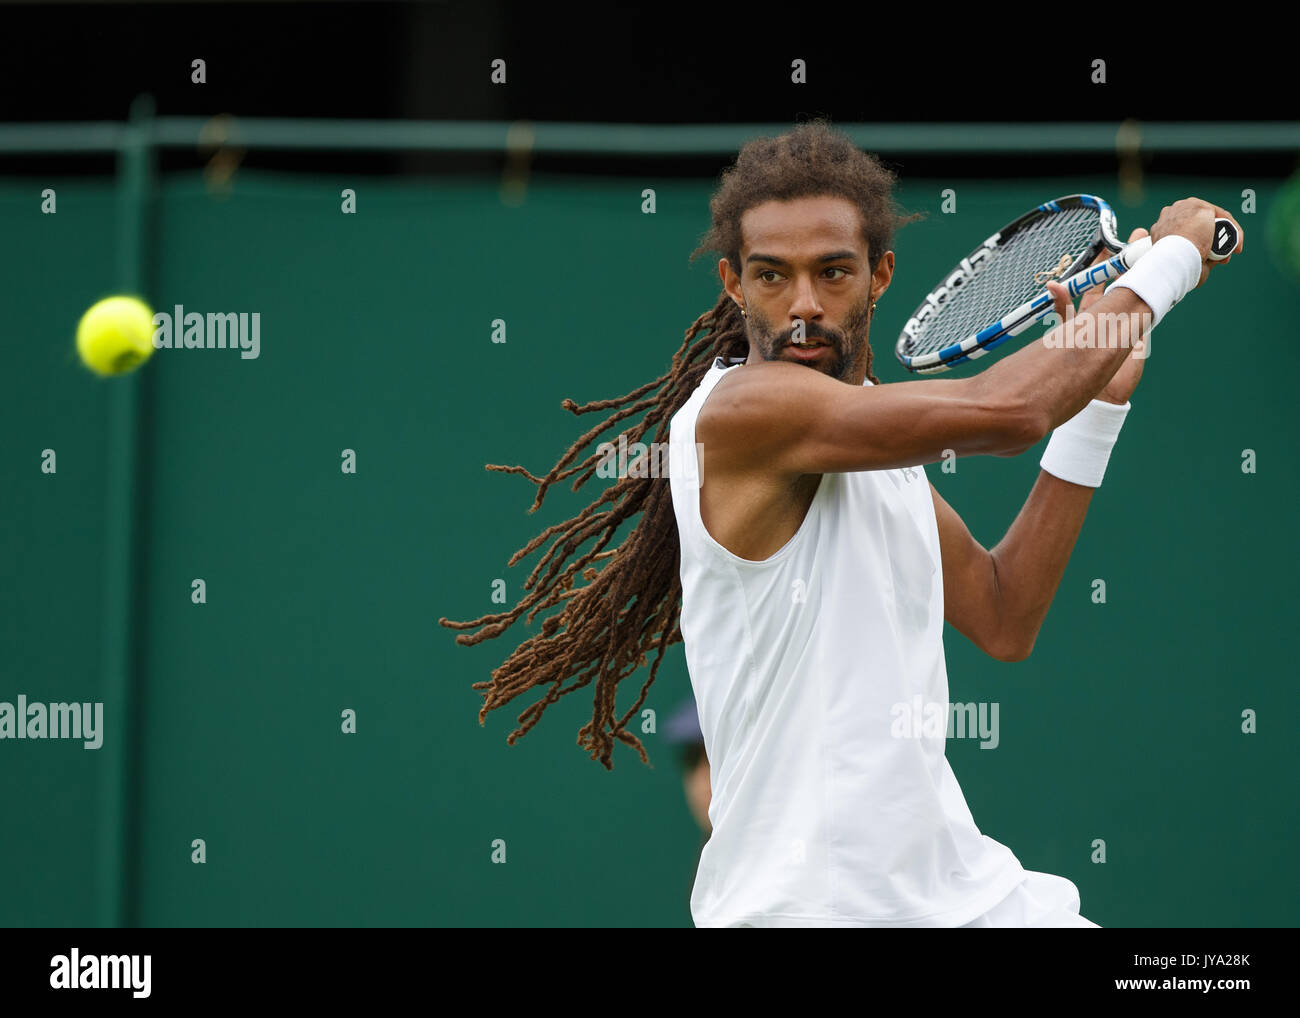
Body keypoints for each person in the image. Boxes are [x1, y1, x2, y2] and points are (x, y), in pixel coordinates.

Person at [441, 119, 1240, 928]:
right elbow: (1011, 408)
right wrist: (1170, 261)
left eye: (831, 272)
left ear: (880, 274)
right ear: (732, 283)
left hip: (966, 902)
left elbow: (1006, 614)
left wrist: (1097, 407)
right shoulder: (746, 411)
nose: (803, 307)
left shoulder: (868, 447)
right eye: (771, 277)